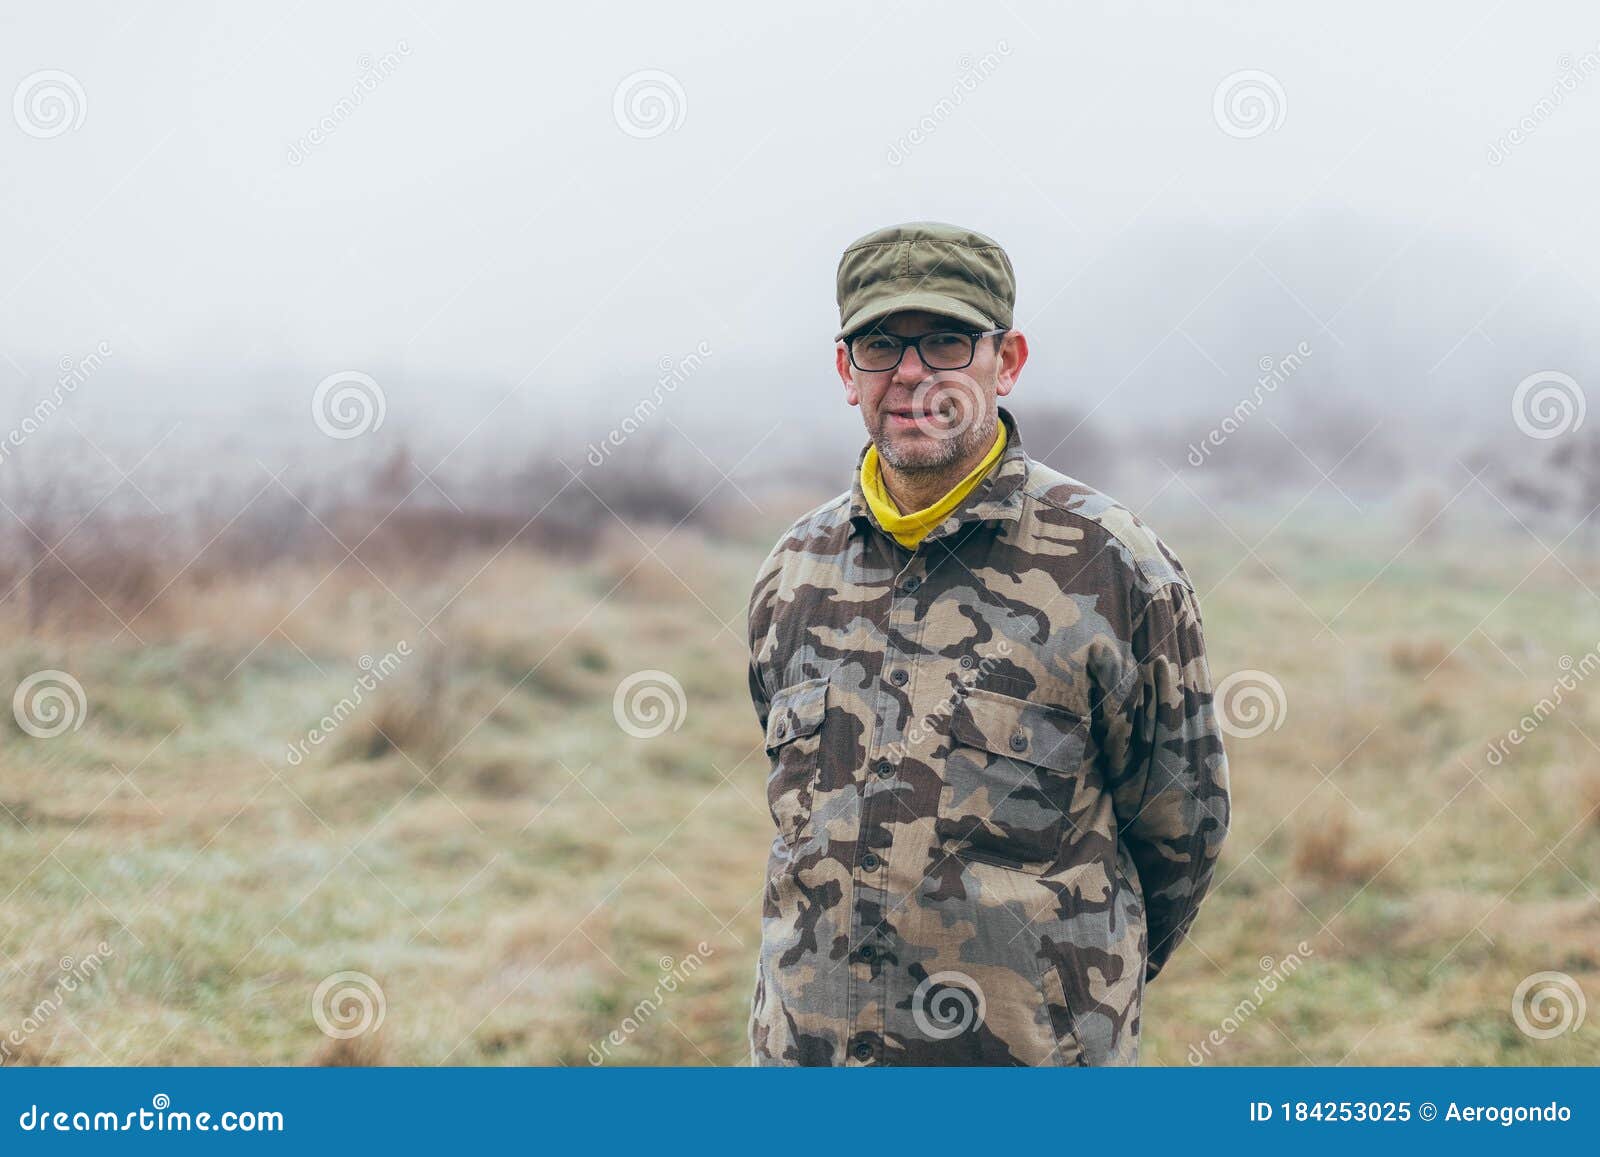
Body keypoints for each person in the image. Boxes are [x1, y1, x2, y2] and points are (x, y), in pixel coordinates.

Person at [744, 221, 1231, 1066]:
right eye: (879, 344)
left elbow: (1181, 830)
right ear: (843, 370)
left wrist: (1070, 996)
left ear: (1005, 362)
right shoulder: (794, 571)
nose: (910, 373)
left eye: (945, 341)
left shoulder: (1114, 566)